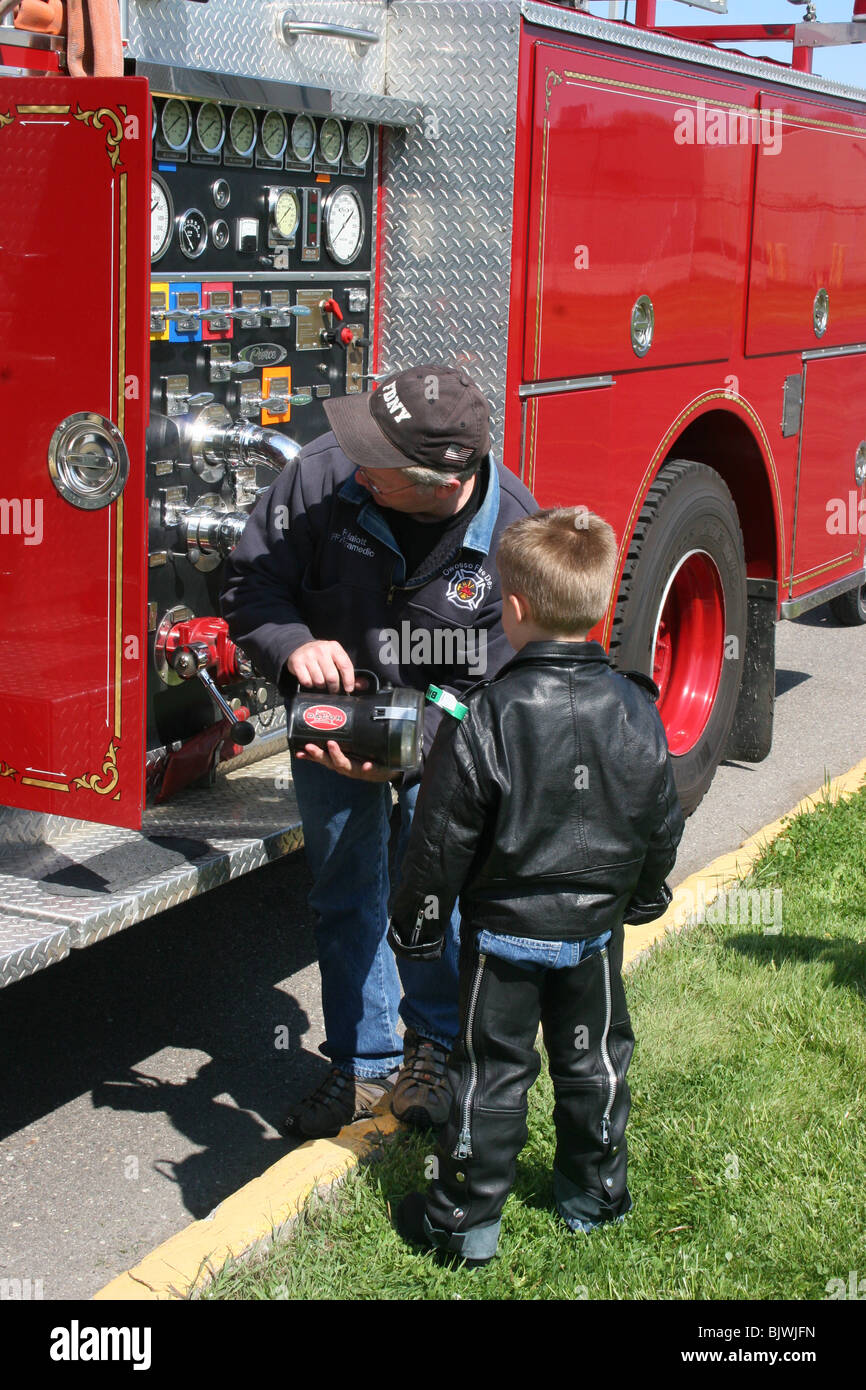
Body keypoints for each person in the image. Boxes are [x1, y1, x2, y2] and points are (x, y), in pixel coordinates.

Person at [220, 364, 536, 1139]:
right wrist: (292, 645)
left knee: (434, 894)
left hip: (445, 736)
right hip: (329, 725)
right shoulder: (325, 476)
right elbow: (247, 585)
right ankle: (361, 1065)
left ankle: (433, 1051)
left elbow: (501, 690)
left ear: (439, 481)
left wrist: (409, 752)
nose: (353, 462)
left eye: (378, 463)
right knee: (344, 888)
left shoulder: (513, 535)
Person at [387, 506, 685, 1265]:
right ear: (599, 600)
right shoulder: (637, 710)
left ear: (512, 609)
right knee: (596, 1063)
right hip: (593, 936)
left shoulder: (486, 716)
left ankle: (464, 1223)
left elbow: (440, 838)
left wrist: (419, 930)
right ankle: (595, 1195)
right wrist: (645, 896)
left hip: (504, 942)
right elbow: (660, 817)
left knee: (489, 1073)